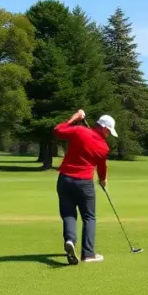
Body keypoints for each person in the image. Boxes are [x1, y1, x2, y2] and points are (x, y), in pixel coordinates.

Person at [53, 109, 117, 265]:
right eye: (108, 131)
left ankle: (70, 240)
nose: (108, 134)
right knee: (89, 217)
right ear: (104, 128)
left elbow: (58, 130)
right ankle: (88, 254)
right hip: (84, 183)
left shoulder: (79, 131)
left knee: (68, 214)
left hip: (65, 179)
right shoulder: (103, 147)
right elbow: (102, 167)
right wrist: (103, 180)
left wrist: (74, 117)